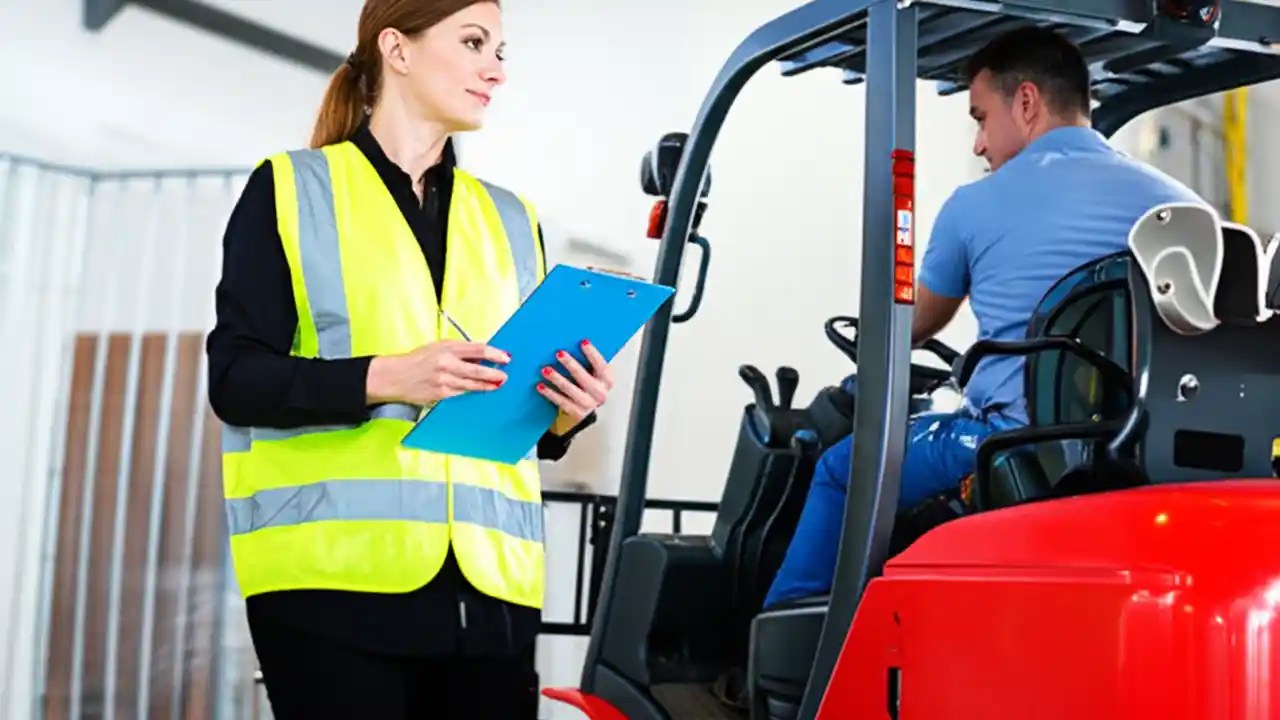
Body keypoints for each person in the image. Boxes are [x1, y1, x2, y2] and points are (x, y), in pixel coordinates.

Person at [205, 1, 611, 717]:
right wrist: (389, 375)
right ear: (397, 48)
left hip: (491, 596)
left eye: (501, 51)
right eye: (475, 42)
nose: (496, 69)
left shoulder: (513, 218)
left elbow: (514, 410)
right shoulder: (293, 189)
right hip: (333, 591)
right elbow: (237, 381)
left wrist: (566, 411)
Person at [762, 26, 1206, 608]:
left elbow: (914, 325)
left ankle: (780, 653)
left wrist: (869, 330)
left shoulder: (975, 205)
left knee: (842, 471)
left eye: (980, 117)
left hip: (1010, 442)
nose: (978, 144)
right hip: (1141, 447)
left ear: (1025, 102)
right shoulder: (1181, 205)